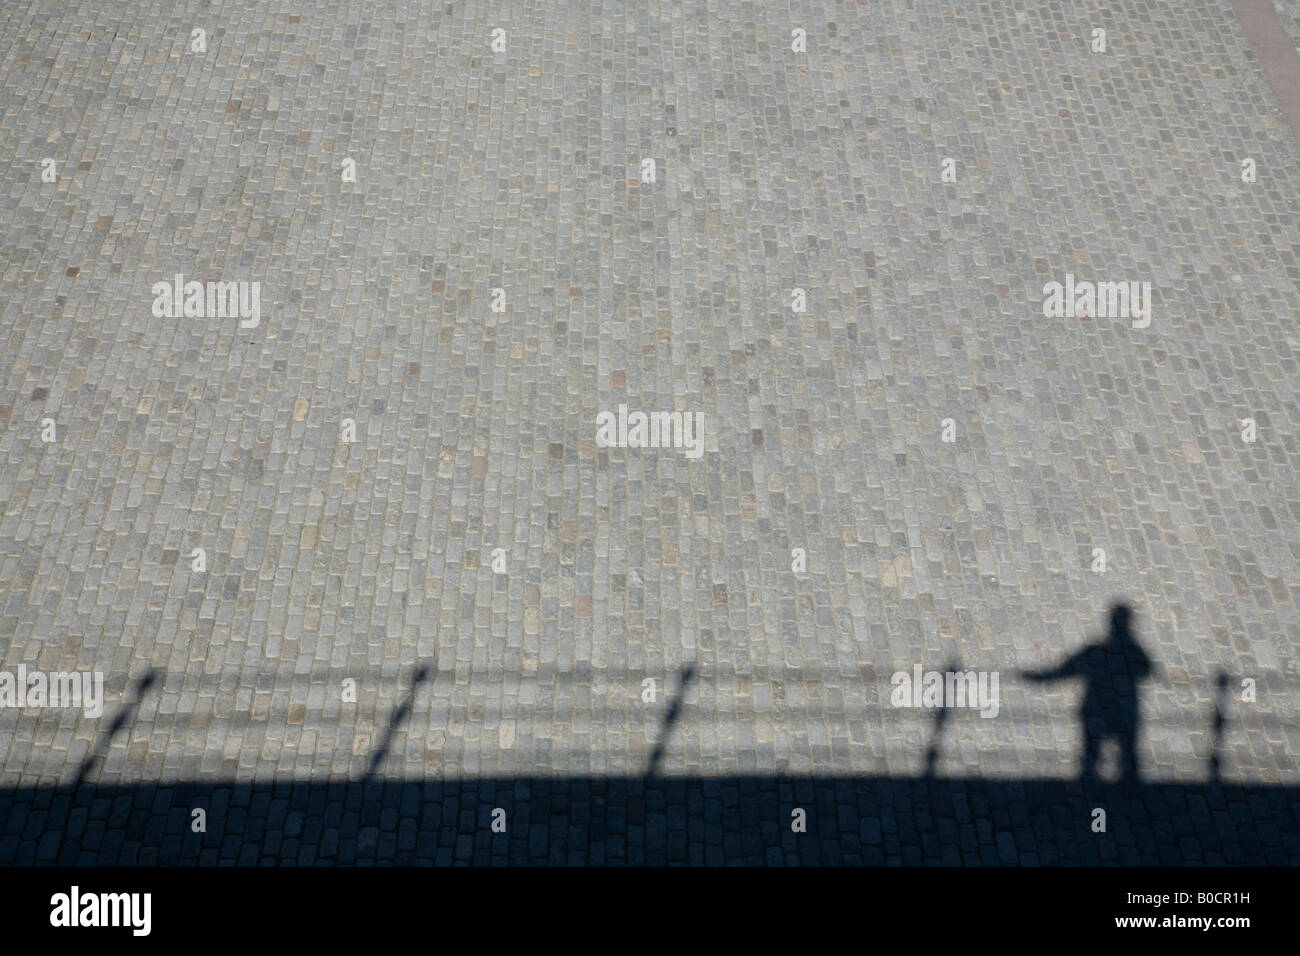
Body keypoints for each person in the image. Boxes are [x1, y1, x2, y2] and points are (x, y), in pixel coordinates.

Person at [1021, 603, 1153, 786]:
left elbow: (1063, 671)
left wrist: (1036, 678)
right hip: (1123, 710)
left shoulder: (1096, 652)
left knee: (1092, 756)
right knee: (1127, 759)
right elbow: (1147, 671)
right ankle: (1129, 800)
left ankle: (1089, 795)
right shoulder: (1134, 653)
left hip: (1096, 708)